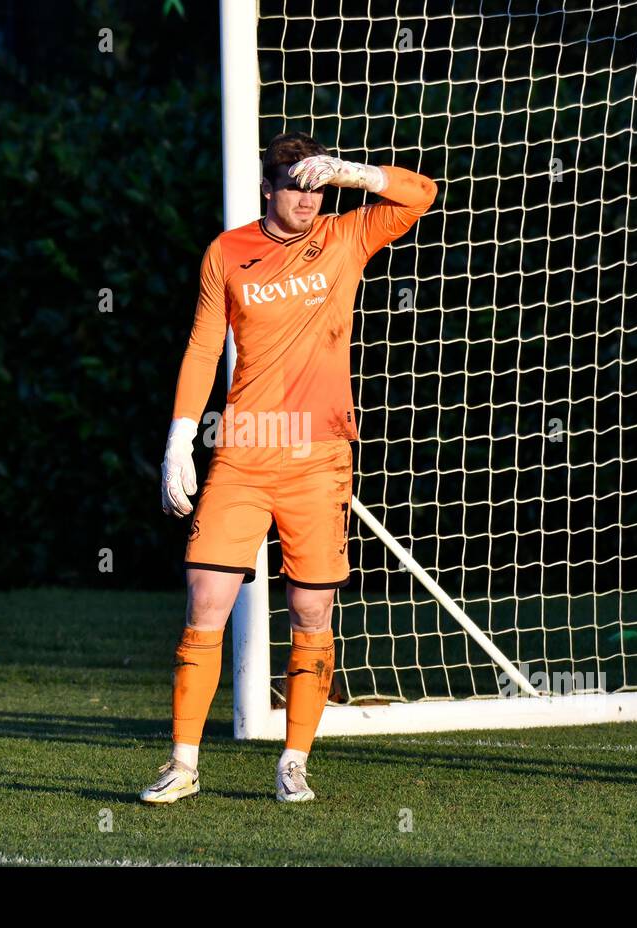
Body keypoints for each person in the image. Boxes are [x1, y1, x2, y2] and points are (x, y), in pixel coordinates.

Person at [141, 131, 437, 804]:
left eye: (316, 186)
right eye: (295, 186)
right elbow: (200, 348)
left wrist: (354, 172)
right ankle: (184, 764)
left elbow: (423, 192)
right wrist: (178, 442)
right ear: (268, 191)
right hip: (244, 451)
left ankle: (294, 763)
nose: (308, 199)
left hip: (319, 458)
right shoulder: (228, 252)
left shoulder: (345, 236)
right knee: (206, 598)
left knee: (311, 609)